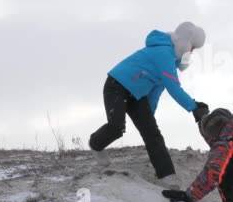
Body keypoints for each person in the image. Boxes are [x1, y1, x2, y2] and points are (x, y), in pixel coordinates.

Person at [89, 22, 210, 190]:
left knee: (152, 133)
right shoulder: (163, 53)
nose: (191, 52)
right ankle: (95, 144)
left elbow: (156, 91)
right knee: (116, 127)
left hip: (137, 94)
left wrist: (149, 118)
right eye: (192, 48)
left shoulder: (172, 62)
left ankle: (167, 175)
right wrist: (193, 106)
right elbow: (173, 87)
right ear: (185, 42)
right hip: (117, 85)